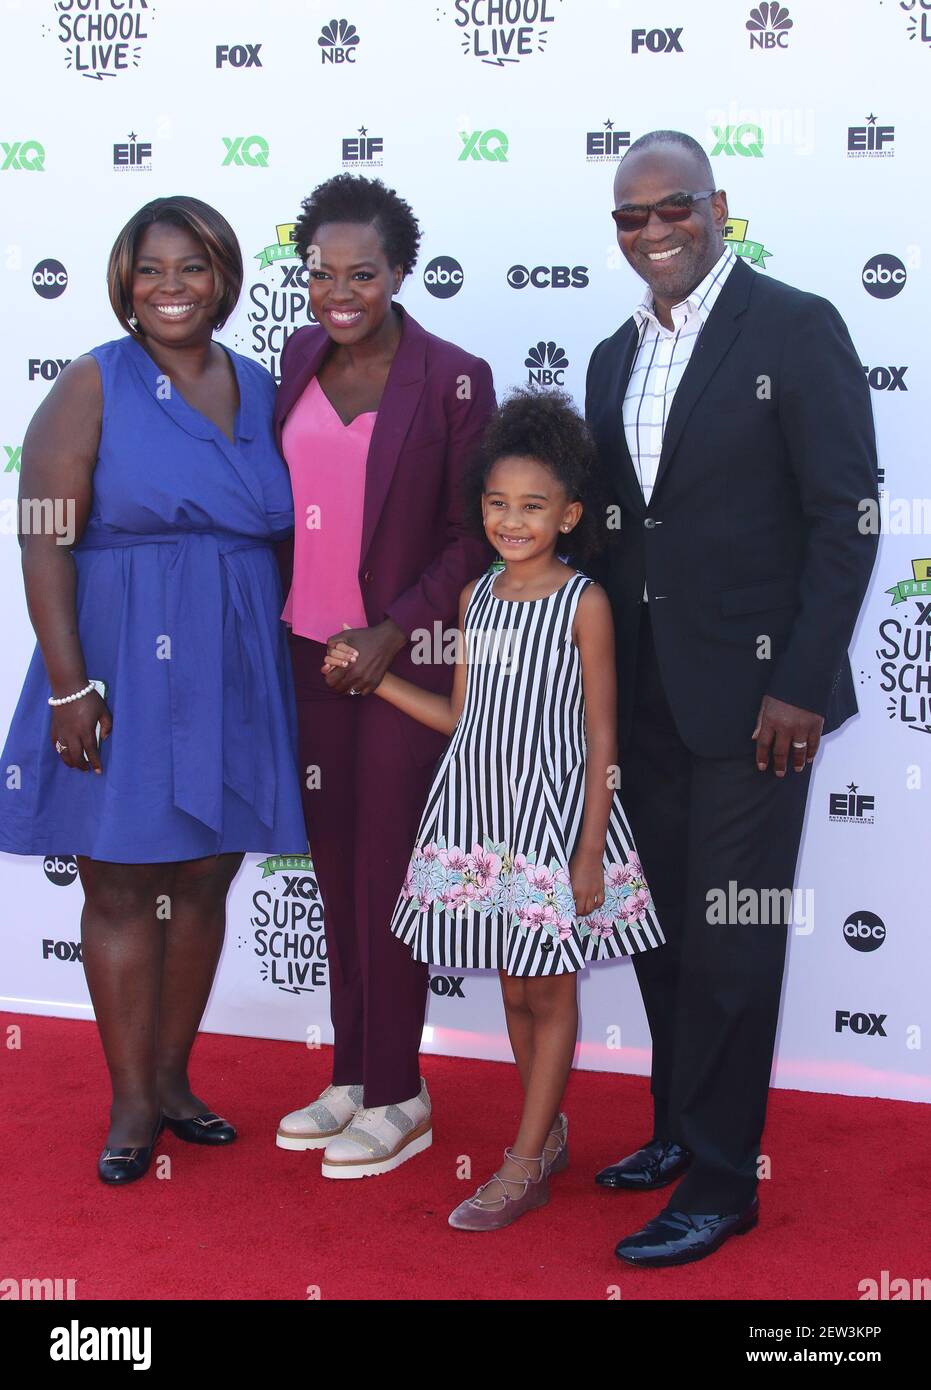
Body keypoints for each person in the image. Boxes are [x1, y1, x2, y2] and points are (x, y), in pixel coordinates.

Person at [585, 130, 879, 1265]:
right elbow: (621, 532)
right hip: (650, 696)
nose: (653, 231)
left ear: (718, 206)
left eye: (673, 208)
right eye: (629, 216)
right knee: (664, 931)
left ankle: (721, 1183)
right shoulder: (616, 355)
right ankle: (677, 1128)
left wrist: (800, 683)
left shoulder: (793, 326)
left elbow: (844, 515)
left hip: (762, 706)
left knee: (731, 942)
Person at [0, 196, 308, 1184]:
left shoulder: (262, 385)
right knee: (125, 877)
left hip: (234, 653)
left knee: (207, 871)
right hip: (121, 652)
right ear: (124, 284)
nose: (170, 288)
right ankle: (131, 1098)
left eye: (192, 268)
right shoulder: (95, 380)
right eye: (150, 270)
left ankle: (173, 1081)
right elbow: (44, 527)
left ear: (224, 278)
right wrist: (65, 684)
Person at [326, 389, 664, 1225]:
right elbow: (461, 718)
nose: (511, 521)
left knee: (549, 988)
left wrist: (589, 851)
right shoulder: (476, 598)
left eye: (532, 507)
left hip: (555, 820)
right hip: (478, 814)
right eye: (496, 504)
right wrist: (378, 680)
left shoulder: (583, 602)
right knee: (515, 987)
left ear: (569, 513)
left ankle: (520, 1162)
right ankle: (542, 1132)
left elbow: (601, 734)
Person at [273, 175, 495, 1177]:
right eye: (321, 271)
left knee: (385, 872)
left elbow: (470, 539)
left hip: (402, 667)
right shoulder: (294, 356)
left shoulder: (454, 377)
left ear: (400, 272)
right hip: (305, 656)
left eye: (360, 271)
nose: (338, 289)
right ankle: (355, 1071)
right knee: (334, 873)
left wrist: (393, 630)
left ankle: (403, 1091)